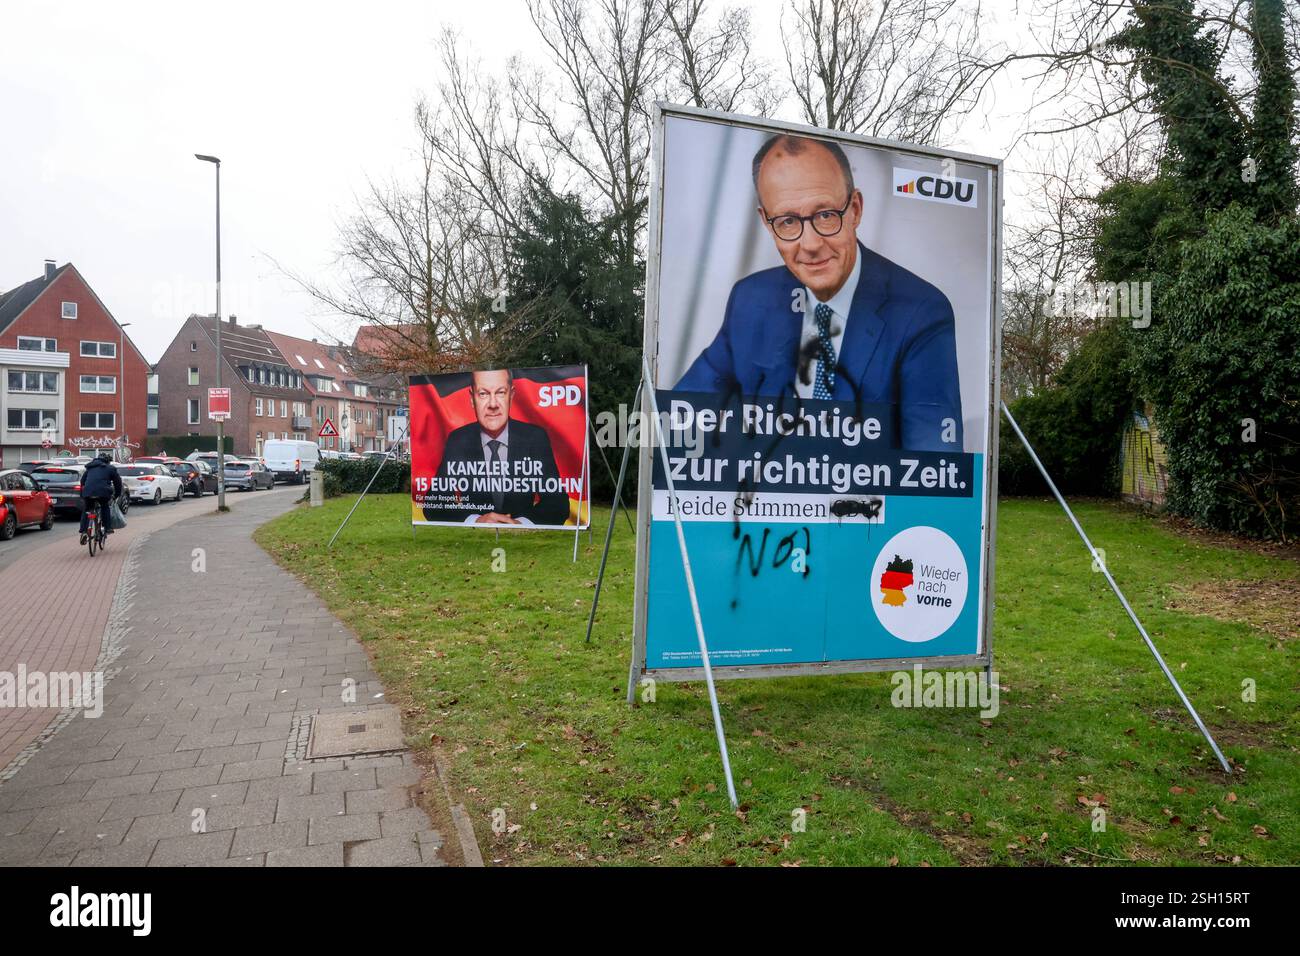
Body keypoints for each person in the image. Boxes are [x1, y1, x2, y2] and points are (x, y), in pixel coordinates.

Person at [676, 133, 964, 452]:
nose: (811, 245)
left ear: (854, 209)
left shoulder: (921, 312)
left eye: (826, 215)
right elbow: (683, 417)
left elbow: (935, 466)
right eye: (787, 221)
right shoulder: (750, 299)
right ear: (768, 224)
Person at [423, 368, 571, 526]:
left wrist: (520, 524)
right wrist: (476, 520)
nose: (493, 404)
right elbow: (433, 504)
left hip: (523, 542)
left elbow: (558, 505)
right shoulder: (458, 439)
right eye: (483, 394)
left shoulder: (534, 438)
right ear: (472, 398)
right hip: (475, 541)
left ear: (511, 395)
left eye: (500, 392)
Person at [80, 450, 123, 542]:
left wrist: (83, 494)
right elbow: (118, 483)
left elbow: (82, 482)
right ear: (108, 461)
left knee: (87, 510)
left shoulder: (90, 468)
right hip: (103, 493)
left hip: (88, 493)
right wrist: (117, 495)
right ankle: (107, 527)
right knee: (105, 507)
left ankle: (84, 531)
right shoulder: (110, 468)